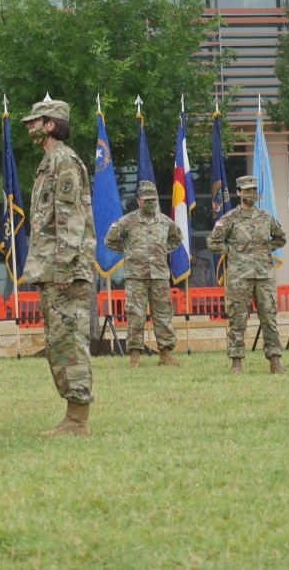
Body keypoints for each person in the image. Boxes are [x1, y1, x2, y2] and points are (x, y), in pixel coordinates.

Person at [22, 98, 96, 436]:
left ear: (51, 125)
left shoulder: (64, 162)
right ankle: (72, 414)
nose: (29, 127)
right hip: (52, 270)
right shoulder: (48, 162)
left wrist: (65, 268)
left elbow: (69, 221)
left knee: (69, 343)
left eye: (35, 121)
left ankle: (77, 420)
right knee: (58, 342)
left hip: (65, 271)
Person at [207, 175, 287, 375]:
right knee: (238, 319)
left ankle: (275, 362)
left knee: (269, 319)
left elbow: (281, 238)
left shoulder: (266, 217)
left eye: (254, 190)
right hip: (239, 277)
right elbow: (212, 243)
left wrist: (268, 247)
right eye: (247, 190)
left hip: (264, 276)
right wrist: (232, 251)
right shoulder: (229, 219)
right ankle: (236, 363)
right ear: (239, 193)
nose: (251, 193)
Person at [104, 180, 183, 368]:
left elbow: (176, 239)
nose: (151, 203)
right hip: (136, 277)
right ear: (139, 201)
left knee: (163, 315)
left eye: (153, 199)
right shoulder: (127, 221)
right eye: (147, 200)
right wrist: (128, 251)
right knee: (135, 316)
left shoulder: (165, 221)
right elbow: (109, 240)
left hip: (159, 277)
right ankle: (134, 357)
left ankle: (165, 354)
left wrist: (163, 250)